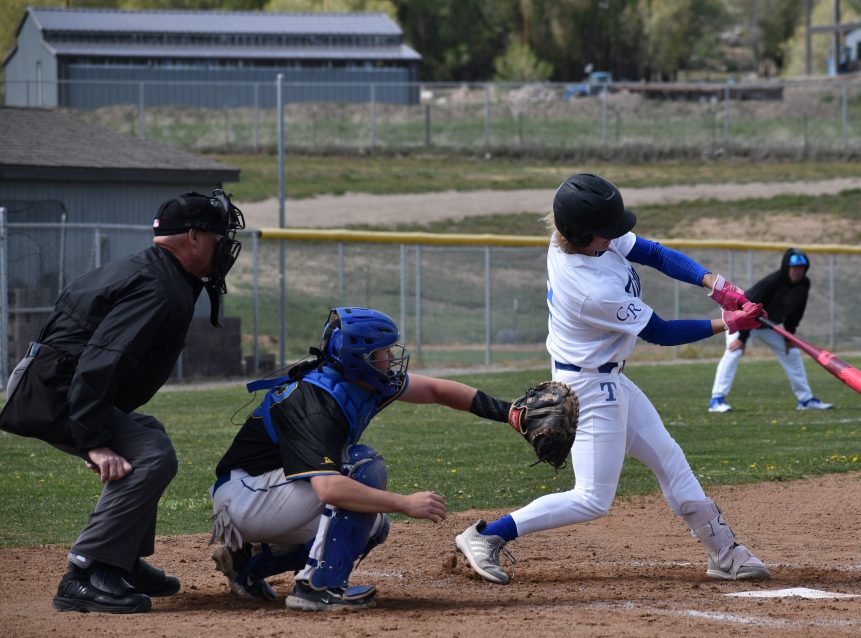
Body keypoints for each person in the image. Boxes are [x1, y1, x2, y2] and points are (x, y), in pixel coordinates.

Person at [454, 173, 771, 586]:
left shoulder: (582, 238)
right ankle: (487, 536)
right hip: (588, 389)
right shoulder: (589, 288)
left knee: (669, 459)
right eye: (606, 231)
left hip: (611, 378)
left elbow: (653, 252)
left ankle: (725, 555)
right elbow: (660, 332)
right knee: (591, 499)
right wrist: (728, 322)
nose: (614, 236)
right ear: (581, 234)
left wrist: (714, 284)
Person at [0, 189, 246, 613]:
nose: (223, 246)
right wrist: (93, 439)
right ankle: (85, 572)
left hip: (55, 382)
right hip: (56, 388)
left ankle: (121, 560)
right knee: (151, 454)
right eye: (218, 236)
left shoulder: (157, 271)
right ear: (193, 237)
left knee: (148, 435)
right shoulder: (159, 285)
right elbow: (99, 362)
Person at [208, 306, 541, 612]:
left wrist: (512, 414)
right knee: (360, 467)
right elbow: (328, 489)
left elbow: (438, 391)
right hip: (245, 497)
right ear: (361, 357)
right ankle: (316, 587)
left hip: (270, 491)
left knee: (372, 524)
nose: (392, 357)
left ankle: (247, 565)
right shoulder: (317, 403)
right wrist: (404, 503)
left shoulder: (358, 381)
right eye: (384, 351)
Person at [708, 248, 833, 413]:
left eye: (801, 268)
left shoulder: (804, 284)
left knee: (792, 353)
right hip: (740, 319)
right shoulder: (772, 282)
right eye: (794, 268)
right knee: (734, 351)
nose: (797, 271)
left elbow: (796, 312)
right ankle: (717, 400)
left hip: (766, 324)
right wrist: (742, 339)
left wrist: (789, 338)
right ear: (786, 268)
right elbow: (750, 307)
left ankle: (805, 400)